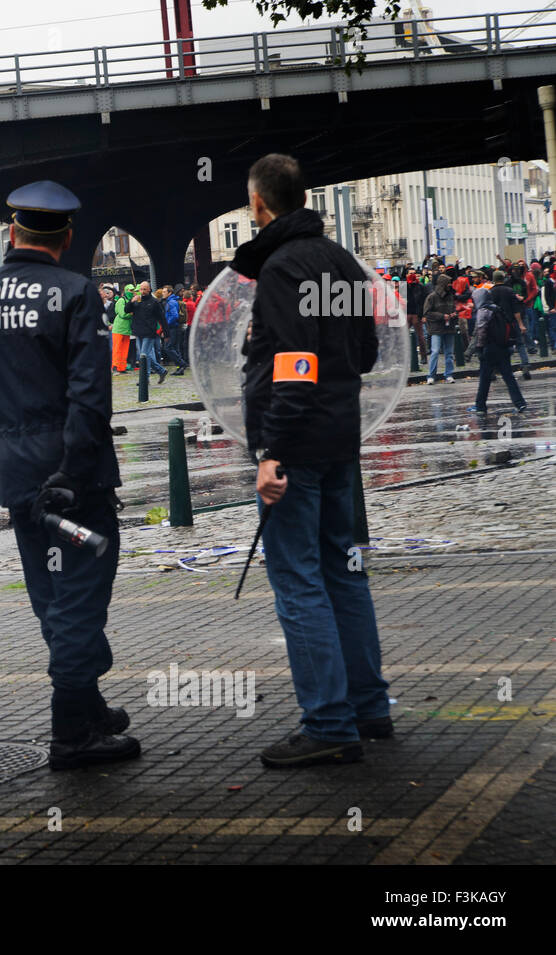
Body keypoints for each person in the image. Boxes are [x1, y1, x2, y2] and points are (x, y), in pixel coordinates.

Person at [0, 180, 136, 772]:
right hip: (72, 477)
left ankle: (86, 705)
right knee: (81, 599)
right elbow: (90, 398)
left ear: (11, 233)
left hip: (15, 469)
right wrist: (75, 469)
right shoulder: (77, 293)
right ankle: (72, 733)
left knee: (51, 594)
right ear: (66, 238)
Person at [235, 153, 387, 769]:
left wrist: (272, 452)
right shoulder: (342, 264)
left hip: (295, 448)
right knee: (345, 573)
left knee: (298, 582)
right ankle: (369, 707)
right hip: (340, 442)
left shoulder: (279, 268)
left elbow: (294, 367)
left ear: (258, 204)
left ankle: (328, 723)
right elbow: (369, 352)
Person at [466, 271, 527, 415]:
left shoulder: (483, 311)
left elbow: (480, 331)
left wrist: (477, 349)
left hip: (489, 348)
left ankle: (480, 406)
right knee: (508, 376)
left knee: (485, 378)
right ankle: (520, 403)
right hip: (503, 347)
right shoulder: (495, 308)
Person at [125, 281, 168, 384]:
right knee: (143, 355)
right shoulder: (137, 300)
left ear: (149, 289)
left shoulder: (154, 302)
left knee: (144, 355)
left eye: (144, 289)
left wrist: (166, 333)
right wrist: (131, 302)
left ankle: (145, 378)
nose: (142, 291)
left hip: (149, 332)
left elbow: (162, 318)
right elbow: (126, 310)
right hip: (138, 331)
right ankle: (161, 371)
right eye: (141, 289)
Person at [421, 273, 457, 384]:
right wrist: (442, 316)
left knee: (449, 353)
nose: (450, 285)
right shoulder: (432, 297)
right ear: (443, 284)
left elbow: (454, 308)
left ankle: (449, 374)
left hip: (449, 327)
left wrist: (454, 314)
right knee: (435, 351)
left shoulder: (451, 296)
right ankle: (431, 375)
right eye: (448, 283)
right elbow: (427, 313)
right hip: (437, 328)